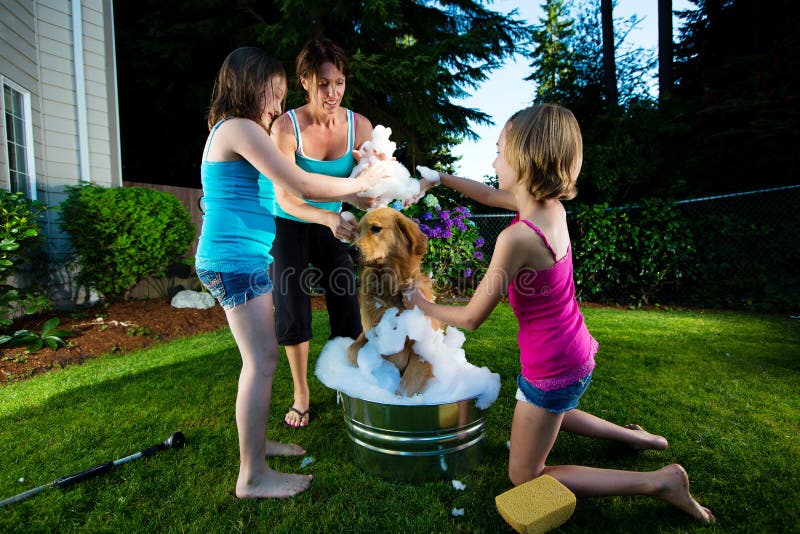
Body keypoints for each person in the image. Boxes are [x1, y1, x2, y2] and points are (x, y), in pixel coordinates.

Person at [403, 104, 715, 523]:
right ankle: (639, 438)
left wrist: (421, 303)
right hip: (574, 351)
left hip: (551, 367)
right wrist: (439, 178)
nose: (493, 162)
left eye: (499, 151)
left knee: (524, 474)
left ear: (524, 160)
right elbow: (488, 194)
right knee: (555, 413)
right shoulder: (548, 209)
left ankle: (660, 482)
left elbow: (473, 317)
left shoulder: (516, 238)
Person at [195, 46, 387, 499]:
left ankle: (258, 446)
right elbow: (297, 183)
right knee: (261, 362)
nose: (278, 105)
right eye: (274, 94)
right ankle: (252, 476)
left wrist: (353, 195)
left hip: (241, 259)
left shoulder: (237, 130)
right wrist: (358, 183)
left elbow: (289, 188)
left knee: (261, 360)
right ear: (250, 86)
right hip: (234, 261)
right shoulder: (240, 128)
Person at [271, 38, 374, 428]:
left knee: (346, 303)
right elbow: (286, 195)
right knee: (293, 304)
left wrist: (376, 189)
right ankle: (301, 394)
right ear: (304, 82)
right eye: (323, 84)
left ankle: (345, 380)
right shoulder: (286, 128)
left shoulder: (359, 126)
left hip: (332, 222)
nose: (333, 93)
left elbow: (364, 188)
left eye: (339, 83)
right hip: (289, 221)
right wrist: (330, 218)